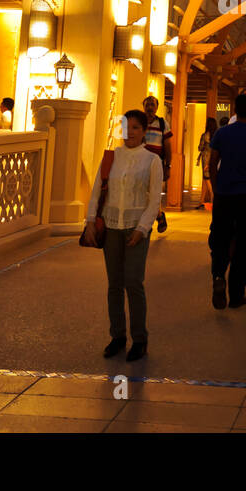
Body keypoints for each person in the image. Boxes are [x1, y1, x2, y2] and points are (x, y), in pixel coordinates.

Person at [85, 108, 162, 361]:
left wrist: (142, 229)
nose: (130, 132)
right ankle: (117, 336)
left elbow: (153, 201)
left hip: (135, 227)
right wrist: (89, 221)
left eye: (136, 128)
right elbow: (97, 190)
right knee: (114, 284)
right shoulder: (111, 157)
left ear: (144, 132)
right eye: (126, 127)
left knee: (133, 283)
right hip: (111, 227)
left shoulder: (152, 161)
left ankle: (139, 338)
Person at [207, 94, 246, 310]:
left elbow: (212, 162)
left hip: (224, 194)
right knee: (243, 243)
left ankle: (218, 276)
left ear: (234, 110)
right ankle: (237, 293)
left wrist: (217, 189)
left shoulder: (222, 133)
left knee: (220, 238)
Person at [141, 95, 172, 233]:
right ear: (144, 107)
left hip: (156, 164)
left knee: (154, 193)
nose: (149, 108)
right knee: (143, 193)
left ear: (157, 107)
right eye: (147, 105)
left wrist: (168, 166)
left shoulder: (162, 123)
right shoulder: (139, 123)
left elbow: (167, 145)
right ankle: (158, 216)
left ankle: (154, 218)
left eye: (152, 105)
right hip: (140, 164)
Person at [197, 117, 217, 209]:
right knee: (205, 179)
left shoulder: (204, 135)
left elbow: (200, 147)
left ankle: (213, 199)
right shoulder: (216, 135)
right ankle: (201, 201)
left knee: (207, 179)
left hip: (205, 159)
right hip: (213, 158)